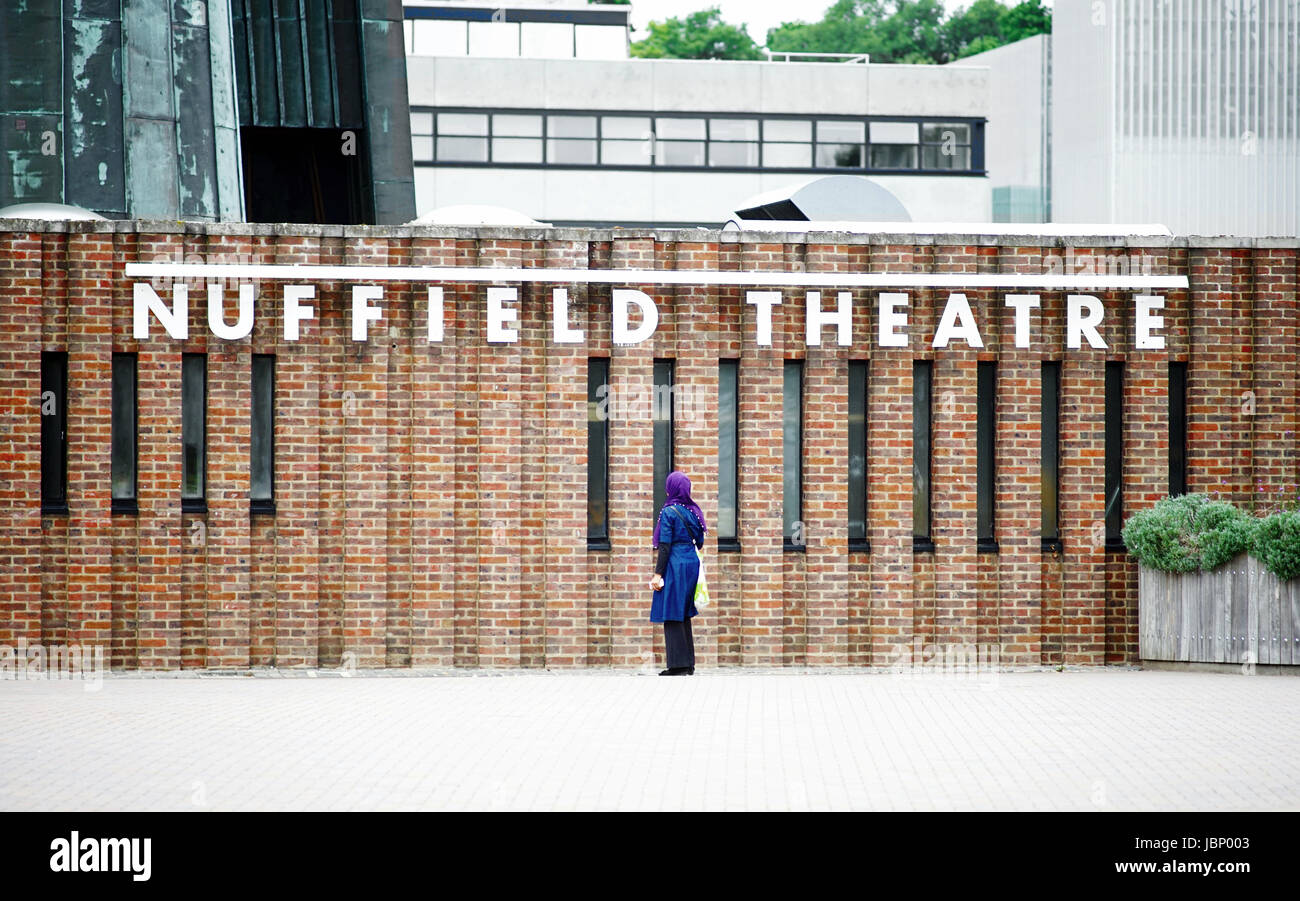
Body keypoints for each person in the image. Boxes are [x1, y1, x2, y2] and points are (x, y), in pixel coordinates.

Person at [648, 470, 706, 676]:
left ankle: (678, 666)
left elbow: (664, 545)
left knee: (672, 612)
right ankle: (688, 664)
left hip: (675, 563)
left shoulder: (669, 512)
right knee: (683, 613)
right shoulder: (694, 511)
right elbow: (700, 541)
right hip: (691, 562)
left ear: (670, 488)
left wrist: (657, 574)